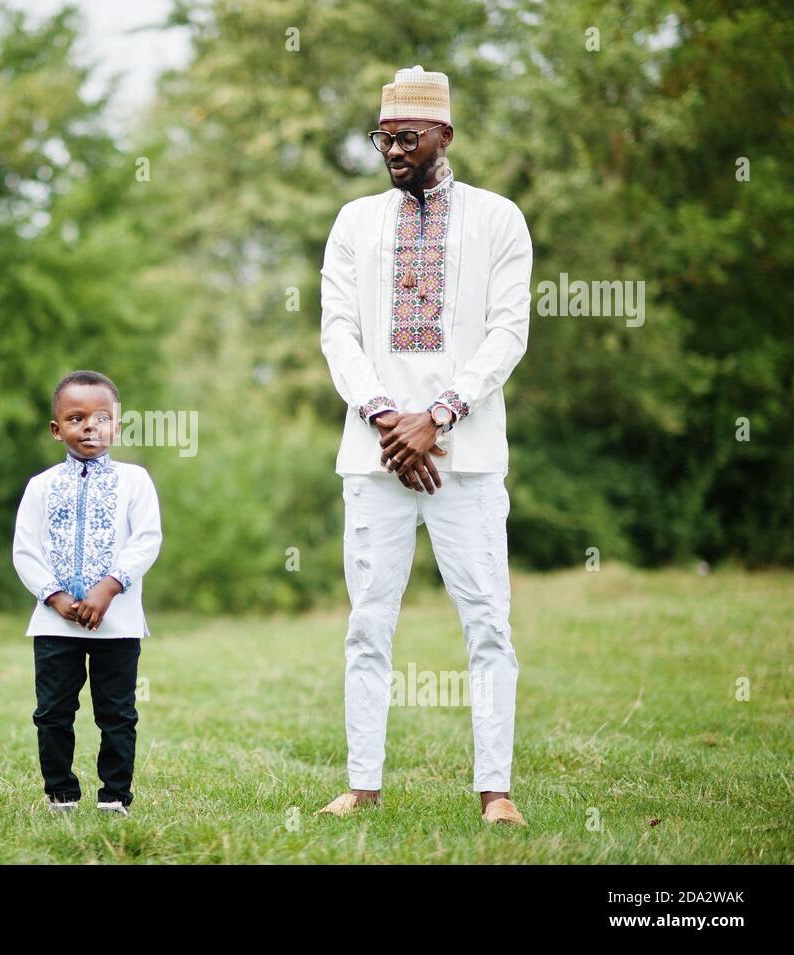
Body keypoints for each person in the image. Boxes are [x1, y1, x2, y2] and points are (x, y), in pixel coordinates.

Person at [317, 66, 533, 826]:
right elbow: (337, 331)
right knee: (368, 621)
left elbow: (509, 333)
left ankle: (495, 790)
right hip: (374, 455)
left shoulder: (499, 219)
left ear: (445, 134)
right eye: (383, 137)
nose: (393, 150)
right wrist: (386, 418)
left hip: (465, 458)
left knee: (487, 621)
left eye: (407, 137)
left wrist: (436, 416)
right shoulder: (354, 222)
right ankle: (364, 784)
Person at [12, 370, 163, 817]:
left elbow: (147, 539)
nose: (90, 426)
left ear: (116, 425)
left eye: (102, 417)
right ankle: (61, 794)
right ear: (57, 429)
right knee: (53, 713)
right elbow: (25, 549)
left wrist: (109, 586)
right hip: (54, 623)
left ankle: (115, 796)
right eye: (76, 418)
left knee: (117, 715)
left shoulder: (135, 481)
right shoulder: (40, 486)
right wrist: (55, 596)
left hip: (117, 623)